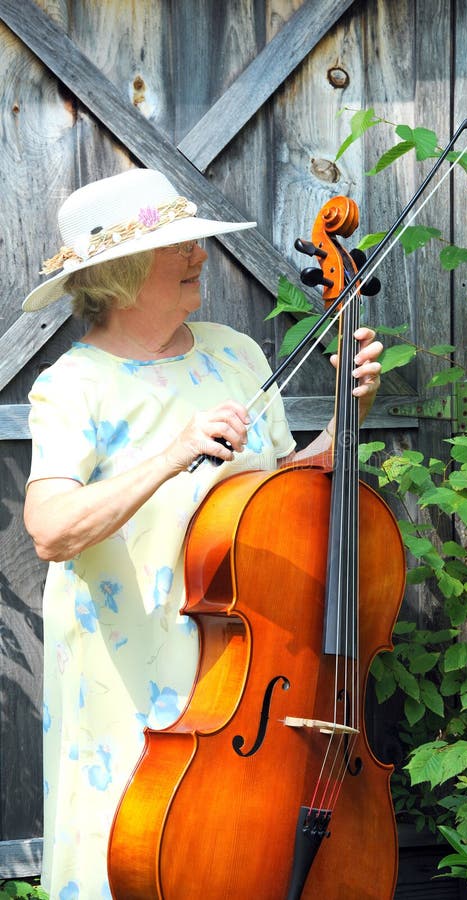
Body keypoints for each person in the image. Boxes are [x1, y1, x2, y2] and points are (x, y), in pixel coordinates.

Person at [22, 168, 382, 899]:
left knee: (223, 842)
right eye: (177, 248)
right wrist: (171, 453)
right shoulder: (73, 385)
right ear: (120, 275)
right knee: (122, 839)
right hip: (119, 654)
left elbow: (281, 489)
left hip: (231, 656)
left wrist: (348, 418)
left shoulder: (233, 352)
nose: (200, 257)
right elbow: (52, 532)